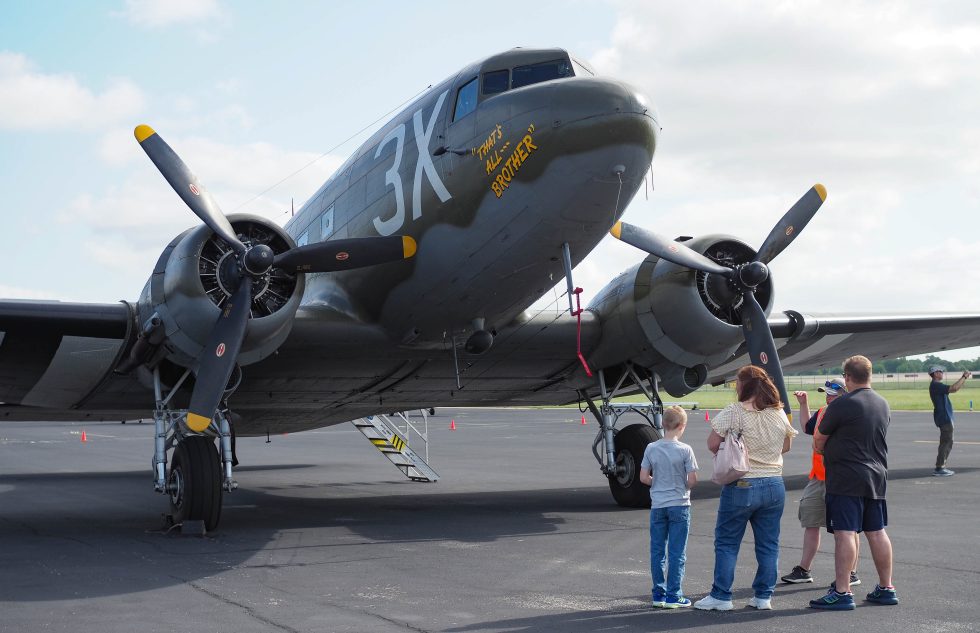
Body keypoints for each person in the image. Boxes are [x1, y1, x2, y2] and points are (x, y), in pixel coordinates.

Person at [693, 365, 797, 611]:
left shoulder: (735, 411)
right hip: (774, 483)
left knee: (727, 542)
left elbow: (712, 443)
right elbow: (786, 447)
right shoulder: (778, 412)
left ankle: (721, 596)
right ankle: (763, 596)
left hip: (743, 482)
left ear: (743, 385)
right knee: (768, 544)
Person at [810, 355, 899, 610]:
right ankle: (886, 587)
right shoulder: (882, 403)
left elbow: (818, 439)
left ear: (847, 377)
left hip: (846, 477)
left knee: (845, 532)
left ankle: (842, 591)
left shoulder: (842, 404)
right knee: (877, 531)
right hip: (876, 475)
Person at [781, 380, 861, 586]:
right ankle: (804, 570)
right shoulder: (823, 411)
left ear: (844, 393)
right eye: (827, 393)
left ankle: (851, 572)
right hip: (818, 477)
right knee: (811, 522)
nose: (828, 397)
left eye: (832, 394)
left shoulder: (850, 413)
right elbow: (807, 427)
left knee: (846, 528)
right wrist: (803, 404)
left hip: (839, 478)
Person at [639, 405, 698, 608]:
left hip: (658, 505)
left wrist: (657, 482)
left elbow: (643, 477)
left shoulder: (651, 448)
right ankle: (674, 594)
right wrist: (683, 485)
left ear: (663, 424)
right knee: (677, 552)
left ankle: (659, 594)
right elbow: (692, 480)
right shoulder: (685, 450)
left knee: (657, 551)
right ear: (682, 426)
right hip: (679, 504)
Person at [928, 365, 972, 477]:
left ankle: (940, 466)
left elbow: (953, 388)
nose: (942, 373)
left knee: (947, 442)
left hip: (944, 417)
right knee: (946, 443)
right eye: (940, 371)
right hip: (944, 418)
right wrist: (964, 377)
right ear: (935, 373)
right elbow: (954, 388)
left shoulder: (937, 385)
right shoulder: (936, 385)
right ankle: (940, 468)